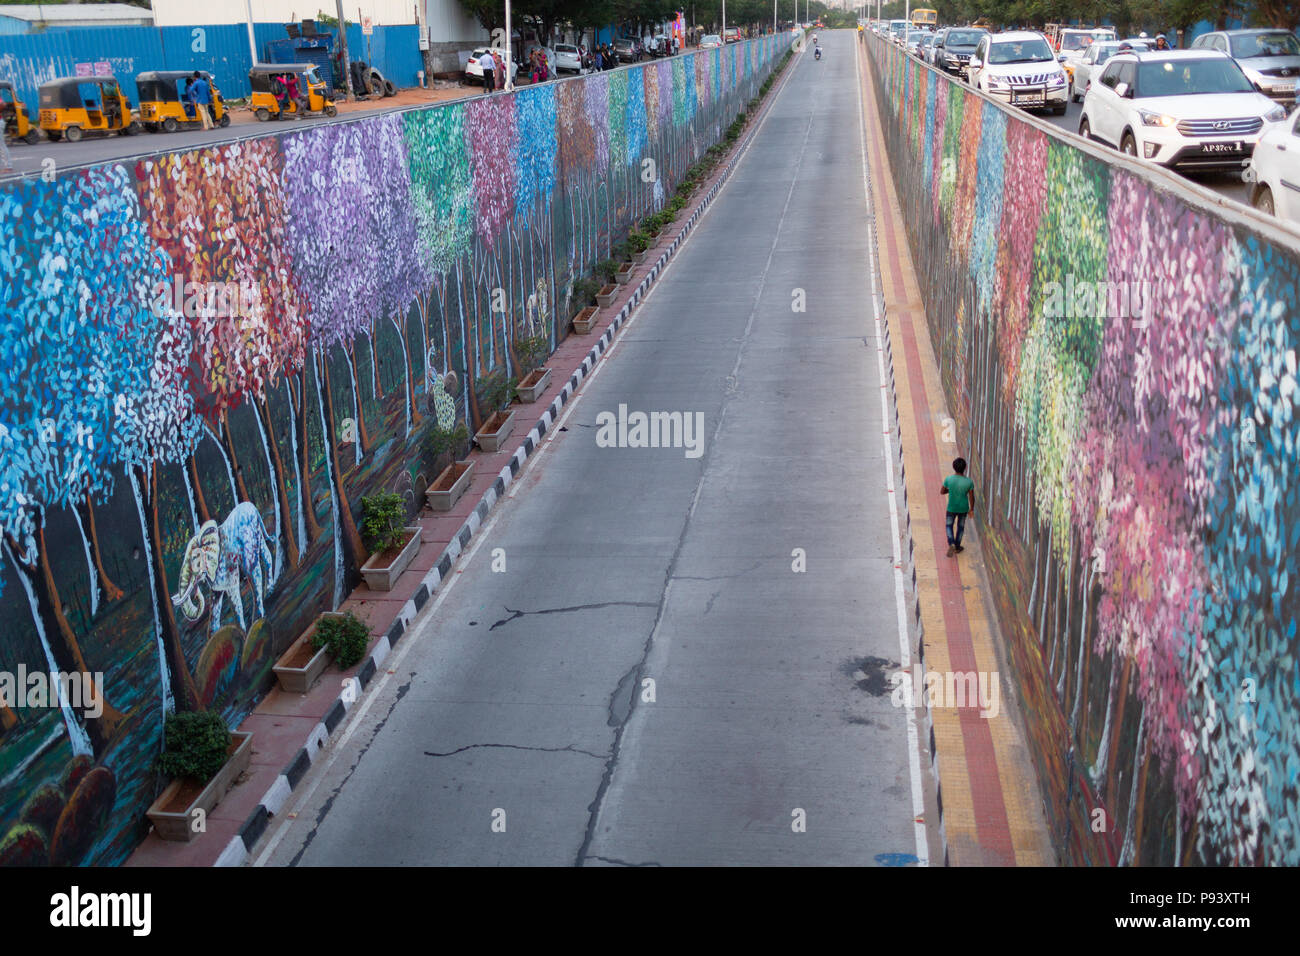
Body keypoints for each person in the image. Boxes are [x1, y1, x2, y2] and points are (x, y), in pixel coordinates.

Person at [940, 458, 975, 557]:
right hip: (963, 508)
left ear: (953, 467)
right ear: (965, 468)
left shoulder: (949, 479)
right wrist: (971, 509)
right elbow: (972, 497)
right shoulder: (969, 482)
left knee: (949, 526)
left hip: (951, 507)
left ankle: (951, 543)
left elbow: (942, 492)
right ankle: (958, 547)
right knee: (960, 527)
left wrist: (950, 490)